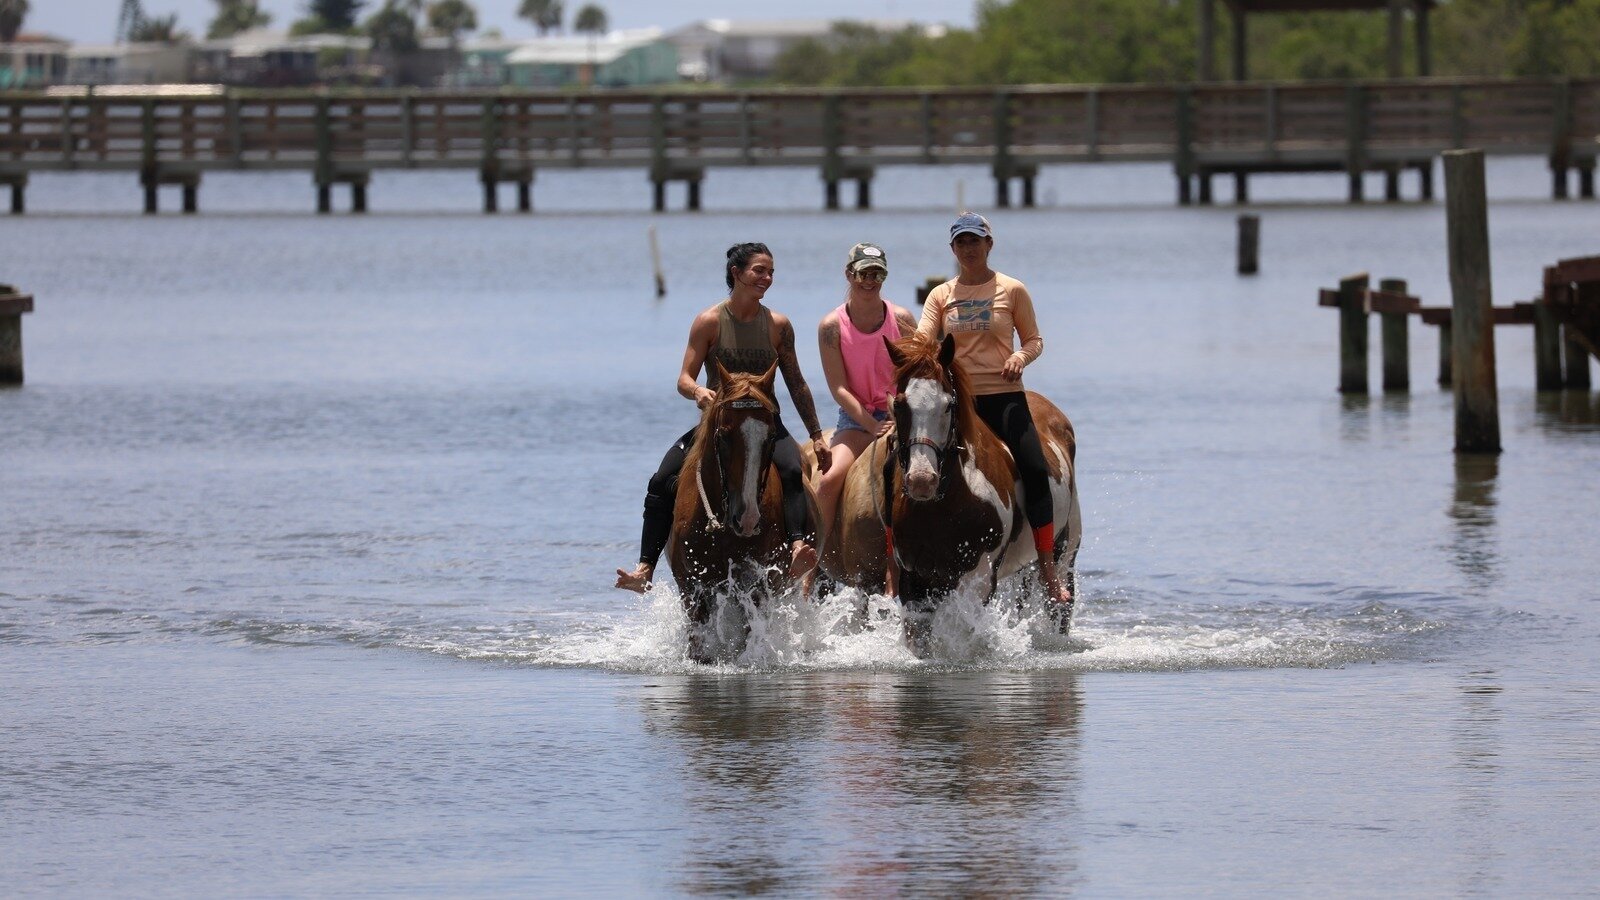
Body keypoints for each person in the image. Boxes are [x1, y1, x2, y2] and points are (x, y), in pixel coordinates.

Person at [615, 242, 832, 593]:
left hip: (766, 426)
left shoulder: (778, 325)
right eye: (759, 270)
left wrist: (817, 435)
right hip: (718, 426)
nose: (767, 278)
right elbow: (684, 378)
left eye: (771, 272)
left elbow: (796, 383)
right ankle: (645, 569)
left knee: (792, 470)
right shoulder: (710, 322)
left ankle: (795, 546)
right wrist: (699, 392)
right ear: (736, 273)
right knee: (661, 481)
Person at [914, 212, 1072, 606]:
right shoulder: (941, 295)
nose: (969, 249)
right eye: (961, 242)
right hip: (959, 403)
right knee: (908, 462)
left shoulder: (1011, 289)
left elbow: (1035, 339)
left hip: (1004, 397)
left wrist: (1020, 356)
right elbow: (922, 339)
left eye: (975, 241)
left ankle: (1048, 570)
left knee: (1036, 470)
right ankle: (901, 567)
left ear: (989, 244)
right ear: (953, 249)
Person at [813, 242, 916, 590]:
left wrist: (894, 414)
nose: (870, 281)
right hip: (857, 419)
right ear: (849, 274)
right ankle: (813, 568)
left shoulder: (901, 319)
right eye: (863, 273)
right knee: (827, 482)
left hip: (900, 413)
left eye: (878, 274)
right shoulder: (830, 325)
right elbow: (838, 388)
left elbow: (916, 372)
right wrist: (873, 425)